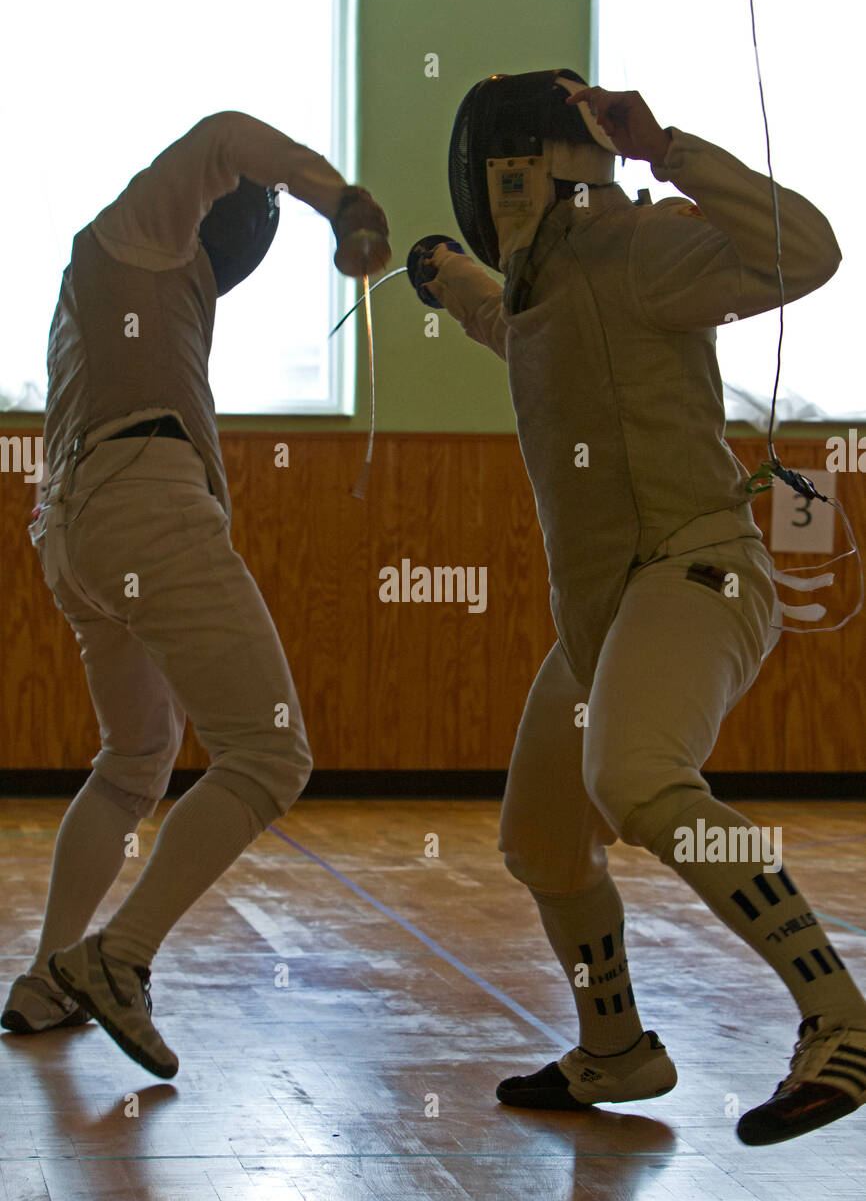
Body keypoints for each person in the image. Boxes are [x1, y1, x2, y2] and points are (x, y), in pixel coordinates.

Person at [416, 72, 866, 1145]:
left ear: (524, 167)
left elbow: (804, 252)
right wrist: (445, 275)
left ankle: (838, 1017)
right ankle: (615, 1047)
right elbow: (514, 326)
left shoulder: (642, 245)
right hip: (602, 613)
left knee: (634, 780)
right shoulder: (540, 283)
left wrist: (666, 148)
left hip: (695, 572)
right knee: (540, 841)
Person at [1, 111, 390, 1080]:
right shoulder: (139, 234)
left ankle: (48, 979)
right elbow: (223, 134)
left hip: (76, 534)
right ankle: (117, 956)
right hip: (139, 508)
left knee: (135, 758)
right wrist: (338, 199)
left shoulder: (132, 287)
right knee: (270, 751)